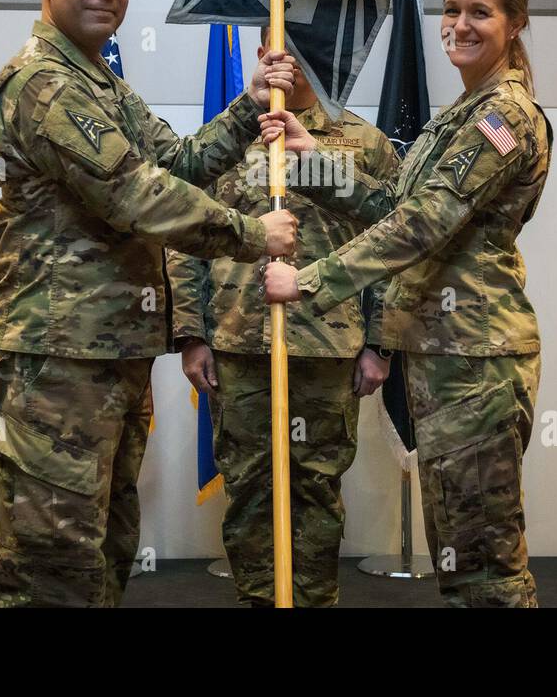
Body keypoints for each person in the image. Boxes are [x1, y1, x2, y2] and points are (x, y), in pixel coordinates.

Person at [0, 0, 298, 607]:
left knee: (102, 560)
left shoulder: (101, 86)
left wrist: (247, 107)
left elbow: (177, 163)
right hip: (54, 363)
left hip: (110, 358)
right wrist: (252, 233)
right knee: (52, 572)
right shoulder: (43, 84)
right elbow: (135, 195)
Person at [260, 0, 554, 608]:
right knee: (465, 560)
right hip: (445, 356)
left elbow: (423, 223)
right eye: (451, 9)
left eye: (480, 11)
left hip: (475, 360)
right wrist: (313, 161)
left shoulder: (502, 118)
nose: (460, 23)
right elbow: (398, 201)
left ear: (516, 23)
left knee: (484, 570)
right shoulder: (466, 110)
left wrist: (307, 283)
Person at [167, 29, 401, 607]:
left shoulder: (361, 142)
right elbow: (183, 237)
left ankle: (314, 600)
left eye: (304, 43)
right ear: (260, 53)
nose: (290, 58)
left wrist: (381, 344)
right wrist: (191, 336)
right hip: (239, 344)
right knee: (249, 487)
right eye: (279, 44)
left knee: (316, 490)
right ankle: (258, 600)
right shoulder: (227, 140)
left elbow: (394, 246)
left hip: (328, 347)